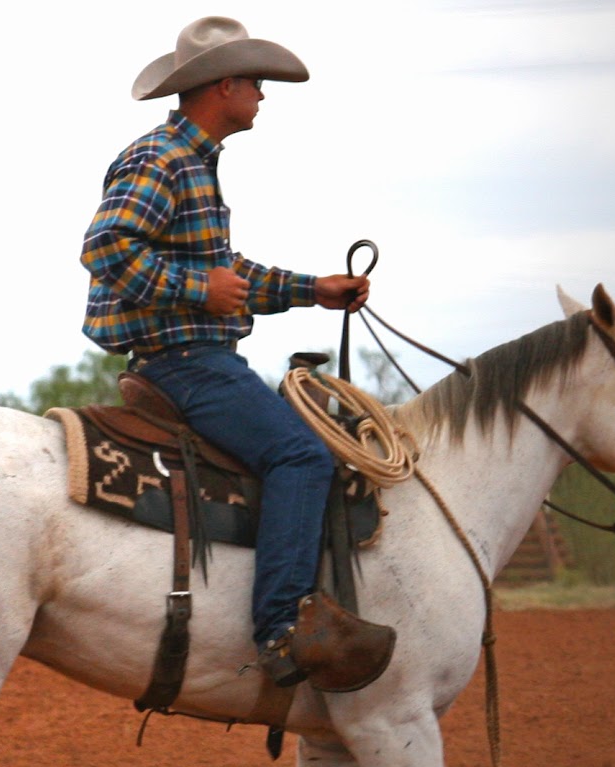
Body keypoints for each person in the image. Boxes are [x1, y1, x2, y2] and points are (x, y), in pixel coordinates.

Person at [81, 17, 394, 689]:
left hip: (198, 357)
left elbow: (228, 273)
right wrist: (199, 290)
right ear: (223, 86)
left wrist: (314, 291)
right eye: (254, 82)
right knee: (301, 455)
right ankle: (281, 627)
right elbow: (105, 248)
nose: (262, 95)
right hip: (188, 363)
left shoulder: (193, 162)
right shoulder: (163, 159)